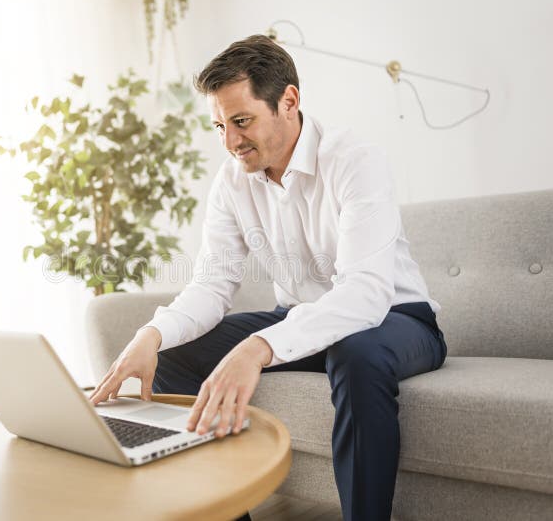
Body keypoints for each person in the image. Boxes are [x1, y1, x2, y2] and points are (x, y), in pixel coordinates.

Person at [89, 34, 447, 521]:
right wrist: (151, 333)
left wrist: (259, 347)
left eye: (241, 122)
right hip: (300, 318)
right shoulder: (232, 181)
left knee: (355, 351)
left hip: (395, 320)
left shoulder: (354, 161)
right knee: (170, 354)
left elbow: (365, 295)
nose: (231, 142)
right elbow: (212, 285)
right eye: (219, 126)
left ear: (289, 102)